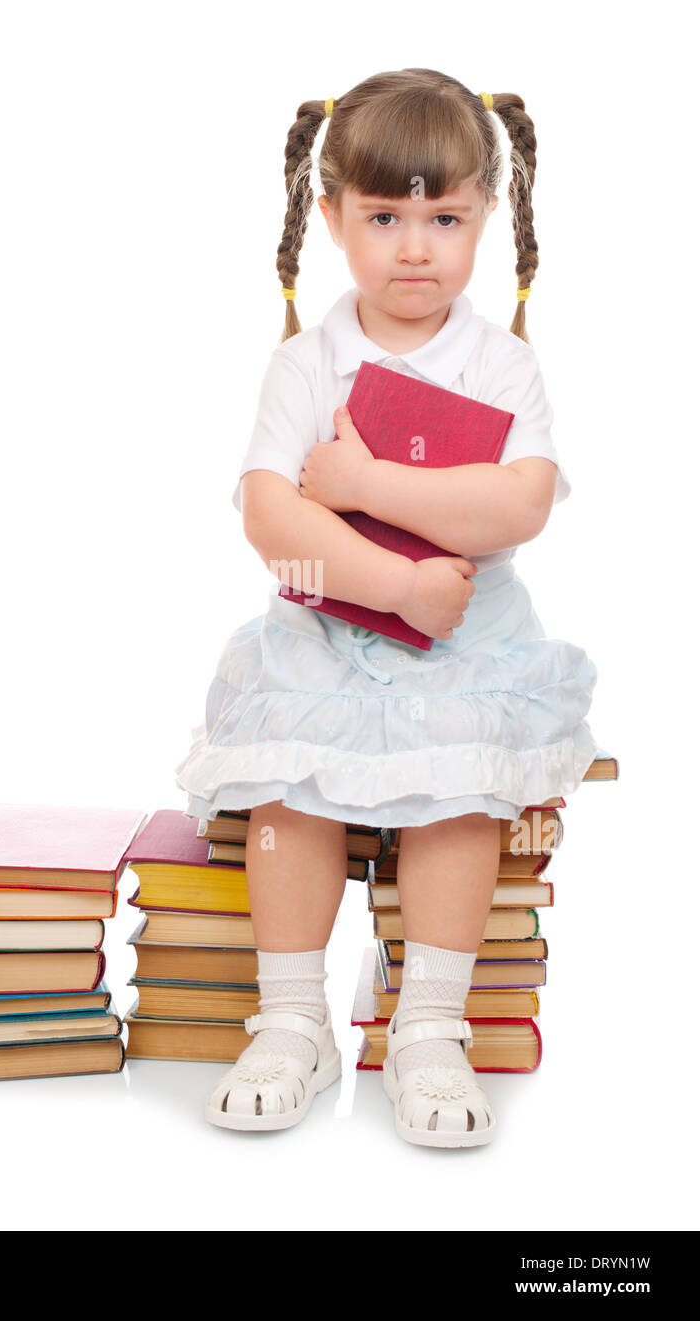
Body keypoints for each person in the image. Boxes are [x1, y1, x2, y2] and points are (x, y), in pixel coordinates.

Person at [173, 67, 600, 1148]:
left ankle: (426, 1025)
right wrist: (395, 579)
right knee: (291, 791)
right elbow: (272, 514)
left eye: (443, 216)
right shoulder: (306, 362)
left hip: (467, 641)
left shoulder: (501, 365)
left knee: (457, 795)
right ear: (329, 219)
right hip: (325, 624)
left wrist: (364, 488)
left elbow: (518, 499)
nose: (414, 246)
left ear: (485, 218)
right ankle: (292, 1018)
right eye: (382, 216)